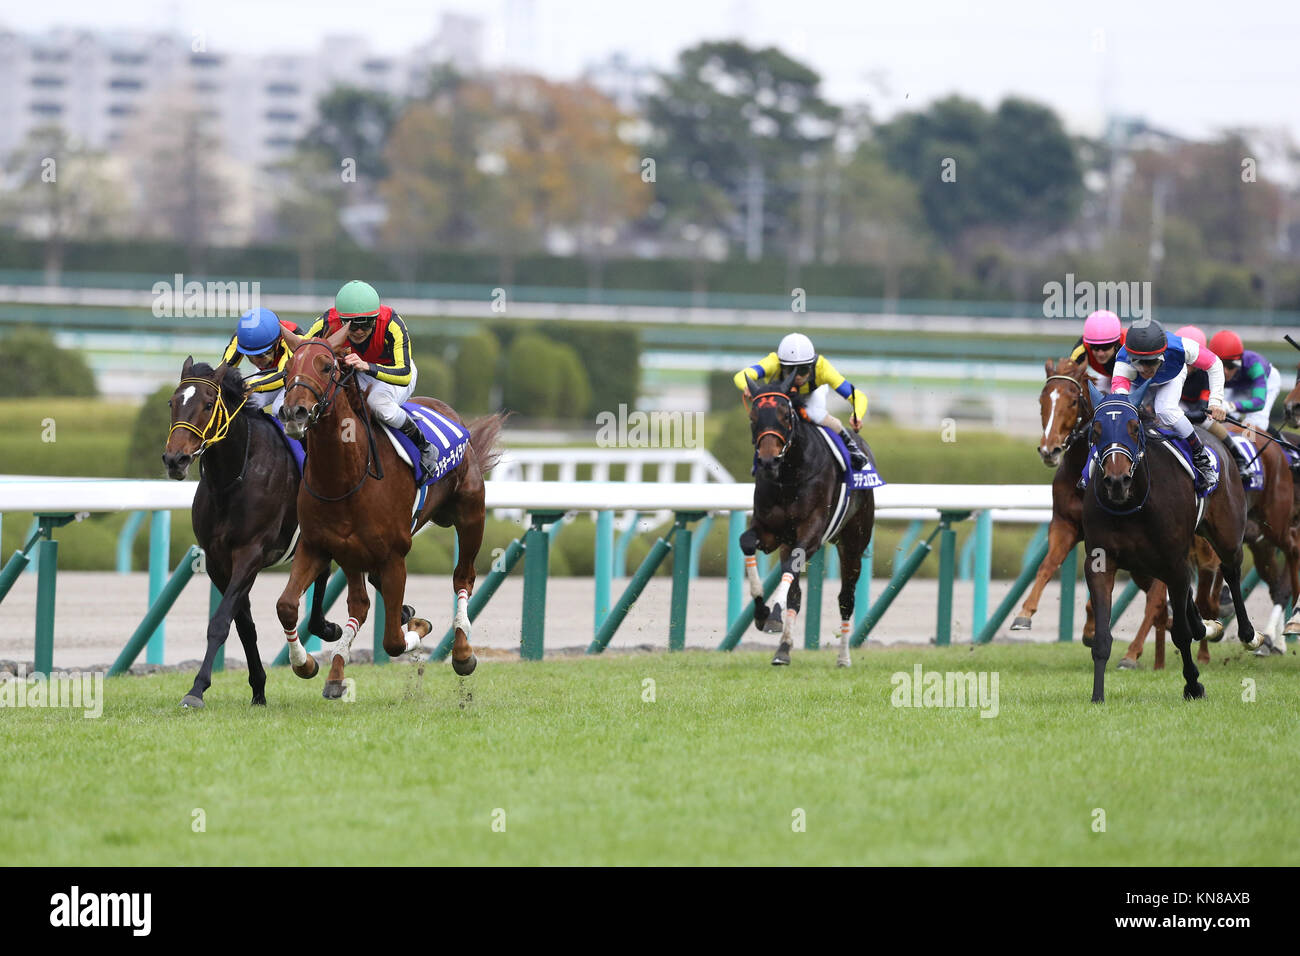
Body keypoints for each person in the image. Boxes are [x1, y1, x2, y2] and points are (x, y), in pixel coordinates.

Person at [302, 280, 436, 474]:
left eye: (365, 324)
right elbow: (302, 352)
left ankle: (424, 445)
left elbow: (404, 374)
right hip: (355, 373)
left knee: (379, 406)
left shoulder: (392, 324)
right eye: (351, 325)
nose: (358, 331)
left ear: (376, 318)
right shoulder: (325, 322)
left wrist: (369, 367)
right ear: (340, 319)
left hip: (391, 375)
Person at [1112, 319, 1227, 490]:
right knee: (1118, 417)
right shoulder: (1122, 363)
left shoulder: (1181, 347)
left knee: (1165, 411)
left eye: (1152, 361)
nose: (1146, 369)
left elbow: (1214, 364)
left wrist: (1216, 402)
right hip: (1136, 383)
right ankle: (1090, 468)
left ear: (1163, 353)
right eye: (1139, 362)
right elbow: (1120, 406)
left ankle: (1200, 456)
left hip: (1170, 377)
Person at [734, 332, 870, 471]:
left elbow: (858, 396)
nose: (797, 377)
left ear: (811, 366)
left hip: (812, 394)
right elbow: (741, 376)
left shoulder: (823, 368)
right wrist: (746, 387)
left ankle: (852, 448)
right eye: (791, 370)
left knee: (814, 414)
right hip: (783, 397)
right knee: (768, 417)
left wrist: (857, 414)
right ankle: (759, 458)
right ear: (781, 365)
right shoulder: (773, 362)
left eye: (803, 370)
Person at [219, 307, 301, 415]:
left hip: (295, 374)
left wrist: (251, 386)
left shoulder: (292, 336)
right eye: (250, 356)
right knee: (242, 406)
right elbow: (223, 370)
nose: (257, 362)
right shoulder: (240, 338)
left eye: (261, 355)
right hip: (271, 373)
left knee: (280, 409)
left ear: (277, 343)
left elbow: (283, 374)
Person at [1069, 309, 1125, 393]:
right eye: (1094, 347)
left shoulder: (1129, 345)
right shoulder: (1082, 348)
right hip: (1107, 377)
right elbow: (1067, 377)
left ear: (1116, 343)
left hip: (1135, 379)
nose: (1100, 354)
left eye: (1106, 346)